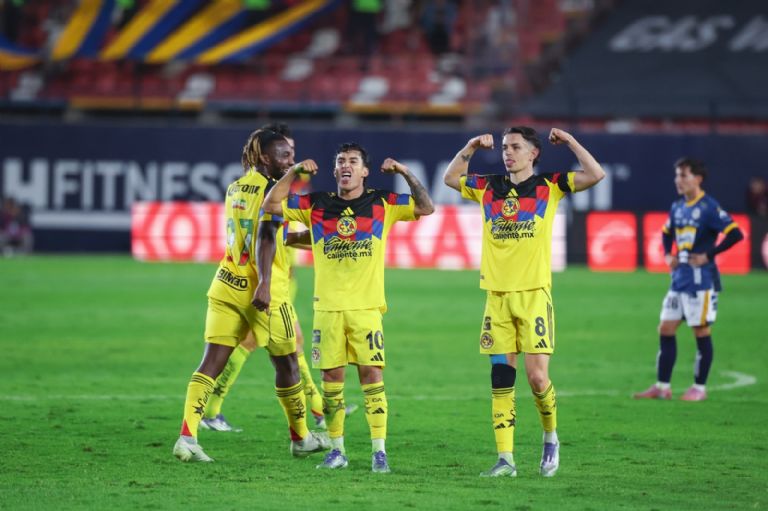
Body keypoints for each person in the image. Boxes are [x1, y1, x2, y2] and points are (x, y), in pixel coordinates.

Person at [262, 142, 435, 473]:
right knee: (331, 380)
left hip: (366, 309)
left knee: (372, 377)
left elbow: (426, 208)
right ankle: (337, 449)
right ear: (335, 169)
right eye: (341, 161)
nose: (346, 166)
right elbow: (272, 202)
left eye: (353, 162)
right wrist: (294, 172)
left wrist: (404, 172)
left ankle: (379, 452)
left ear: (364, 171)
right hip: (327, 309)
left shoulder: (382, 203)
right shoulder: (316, 204)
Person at [443, 127, 605, 478]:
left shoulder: (550, 186)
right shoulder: (488, 187)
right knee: (501, 378)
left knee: (536, 378)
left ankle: (550, 437)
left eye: (516, 147)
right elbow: (450, 177)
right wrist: (471, 146)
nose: (507, 153)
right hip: (496, 297)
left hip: (533, 296)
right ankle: (506, 459)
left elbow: (596, 174)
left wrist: (572, 142)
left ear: (534, 153)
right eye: (504, 147)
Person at [172, 128, 329, 462]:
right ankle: (301, 437)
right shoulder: (274, 191)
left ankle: (187, 437)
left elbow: (271, 232)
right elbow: (267, 236)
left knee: (211, 361)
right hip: (264, 292)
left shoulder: (236, 187)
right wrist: (265, 283)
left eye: (291, 156)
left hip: (226, 281)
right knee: (287, 361)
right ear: (264, 158)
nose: (290, 161)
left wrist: (317, 237)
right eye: (283, 156)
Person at [634, 158, 744, 402]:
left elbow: (736, 233)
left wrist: (709, 255)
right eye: (677, 175)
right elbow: (665, 233)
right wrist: (667, 254)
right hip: (679, 279)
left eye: (683, 175)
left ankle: (699, 388)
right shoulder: (678, 206)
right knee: (665, 327)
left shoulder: (708, 207)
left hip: (701, 281)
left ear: (698, 178)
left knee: (701, 330)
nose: (678, 180)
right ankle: (662, 386)